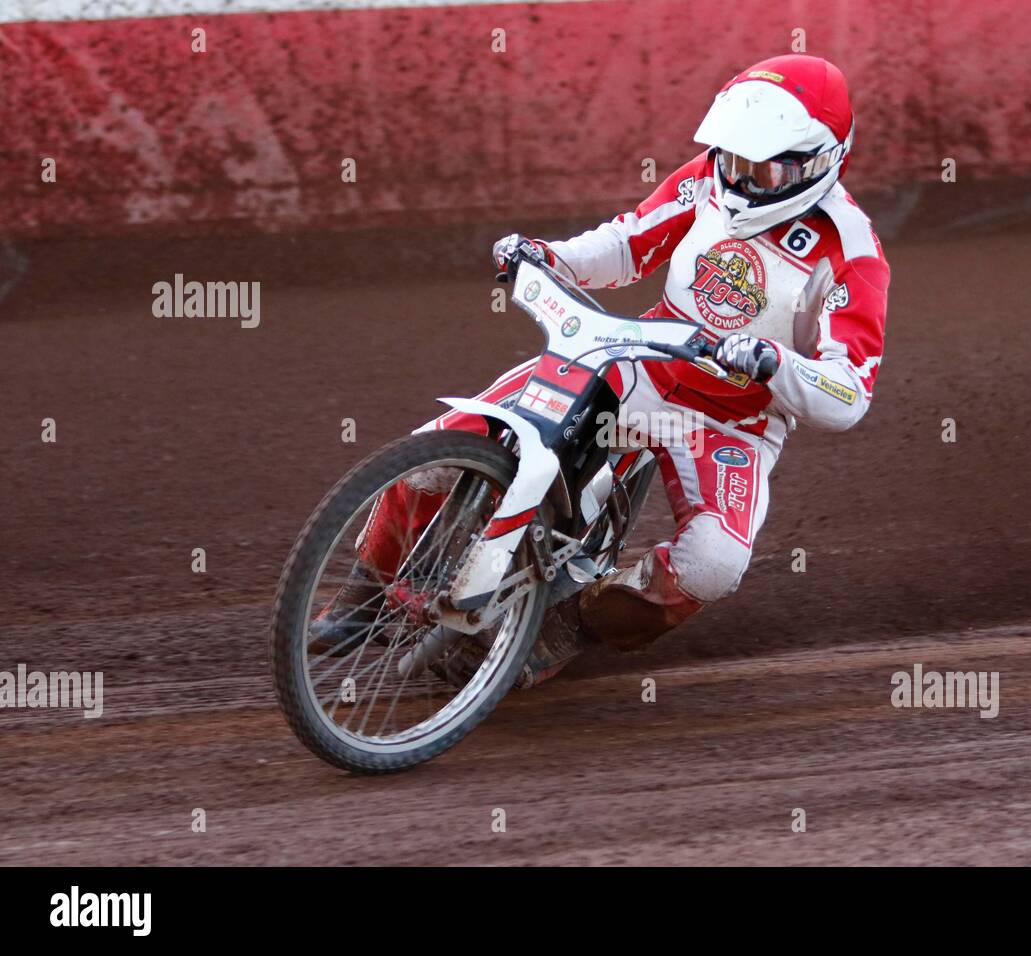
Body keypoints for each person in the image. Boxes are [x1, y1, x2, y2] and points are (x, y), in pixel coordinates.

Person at [313, 53, 890, 688]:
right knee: (434, 451)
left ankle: (567, 623)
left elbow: (849, 391)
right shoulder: (709, 177)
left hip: (734, 420)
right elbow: (626, 244)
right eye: (735, 155)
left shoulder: (850, 252)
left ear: (820, 159)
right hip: (637, 361)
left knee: (713, 564)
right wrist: (548, 257)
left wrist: (774, 362)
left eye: (765, 164)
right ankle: (367, 591)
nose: (743, 177)